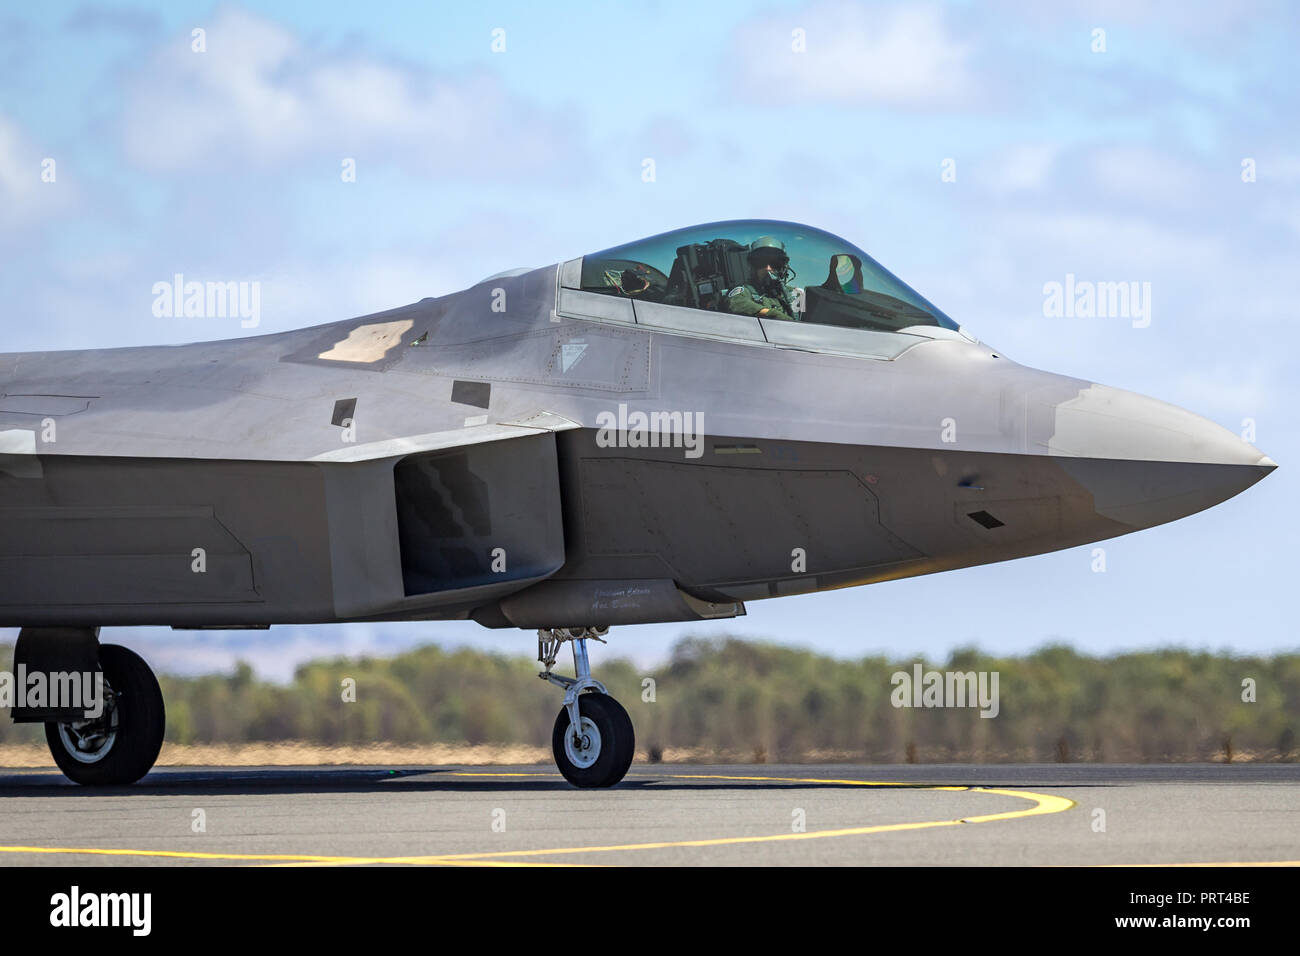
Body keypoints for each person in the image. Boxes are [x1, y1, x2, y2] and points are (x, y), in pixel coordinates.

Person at [721, 236, 798, 321]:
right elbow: (736, 304)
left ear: (782, 267)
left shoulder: (794, 294)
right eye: (762, 263)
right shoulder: (744, 291)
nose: (768, 268)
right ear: (754, 267)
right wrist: (773, 314)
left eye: (774, 263)